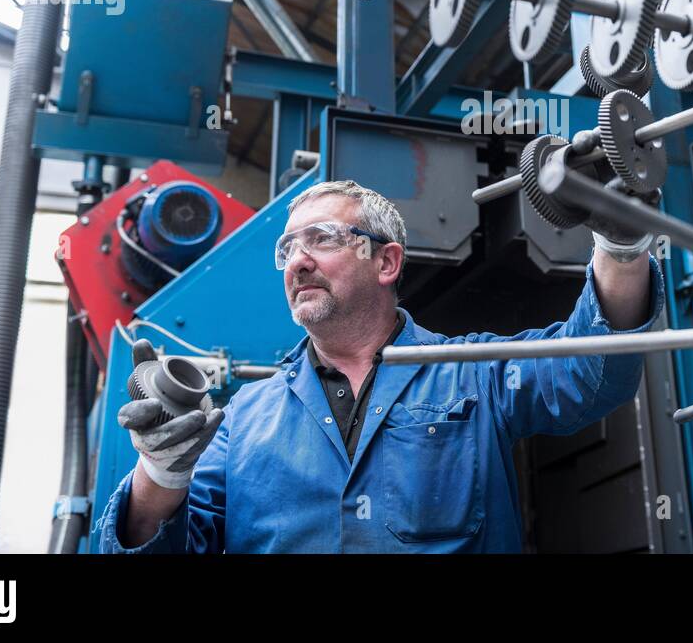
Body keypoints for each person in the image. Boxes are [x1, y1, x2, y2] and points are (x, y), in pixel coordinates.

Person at [95, 178, 664, 552]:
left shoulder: (470, 373)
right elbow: (166, 544)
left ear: (386, 260)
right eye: (287, 249)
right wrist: (161, 473)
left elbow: (590, 373)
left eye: (320, 239)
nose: (298, 261)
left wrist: (620, 247)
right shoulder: (244, 418)